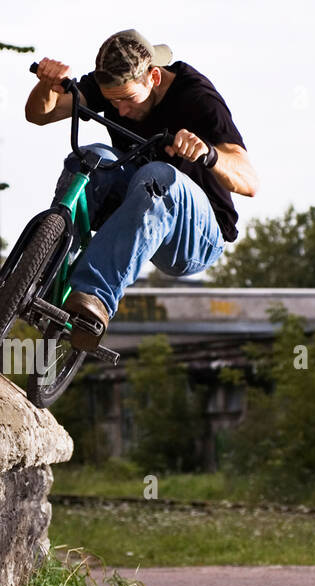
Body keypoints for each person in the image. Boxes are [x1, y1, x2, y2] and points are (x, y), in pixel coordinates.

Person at [25, 29, 259, 350]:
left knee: (157, 174)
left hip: (195, 236)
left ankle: (94, 297)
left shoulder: (197, 98)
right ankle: (41, 270)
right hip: (139, 210)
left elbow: (249, 181)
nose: (120, 111)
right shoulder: (107, 85)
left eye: (128, 100)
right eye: (112, 102)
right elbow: (41, 114)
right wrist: (46, 86)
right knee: (92, 157)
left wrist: (209, 153)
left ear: (154, 77)